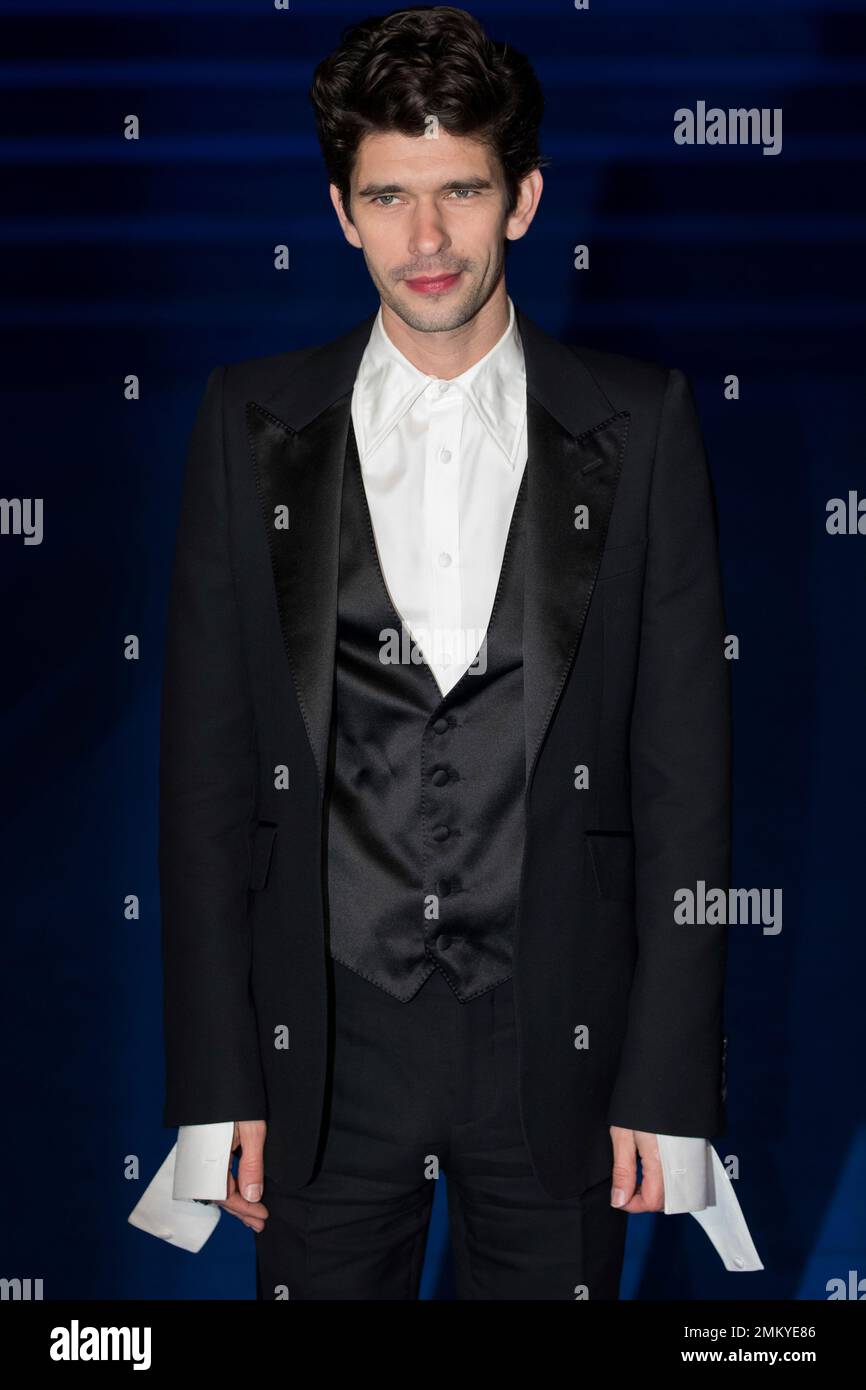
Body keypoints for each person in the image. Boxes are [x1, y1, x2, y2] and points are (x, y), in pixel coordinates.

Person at [136, 6, 763, 1297]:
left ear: (522, 199)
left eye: (461, 192)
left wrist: (665, 1082)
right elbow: (202, 784)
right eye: (390, 197)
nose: (425, 241)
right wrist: (216, 1087)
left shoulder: (638, 423)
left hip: (558, 1052)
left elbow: (684, 780)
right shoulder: (245, 421)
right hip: (321, 1054)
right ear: (341, 209)